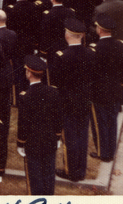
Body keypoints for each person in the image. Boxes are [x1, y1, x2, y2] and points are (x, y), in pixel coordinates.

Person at [53, 18, 96, 182]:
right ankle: (81, 169)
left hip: (67, 102)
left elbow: (56, 83)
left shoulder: (62, 56)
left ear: (67, 35)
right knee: (83, 135)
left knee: (70, 137)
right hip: (85, 100)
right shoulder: (90, 54)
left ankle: (72, 171)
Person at [17, 55, 61, 195]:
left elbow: (23, 123)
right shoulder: (53, 91)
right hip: (50, 139)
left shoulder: (25, 96)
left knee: (34, 175)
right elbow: (58, 117)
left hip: (33, 142)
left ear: (29, 73)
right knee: (49, 173)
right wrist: (58, 136)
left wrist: (20, 143)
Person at [89, 14, 123, 163]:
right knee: (112, 121)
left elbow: (92, 72)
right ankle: (110, 151)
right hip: (116, 89)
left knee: (100, 123)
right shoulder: (121, 45)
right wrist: (121, 85)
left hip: (99, 91)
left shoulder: (95, 49)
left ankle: (103, 152)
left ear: (100, 30)